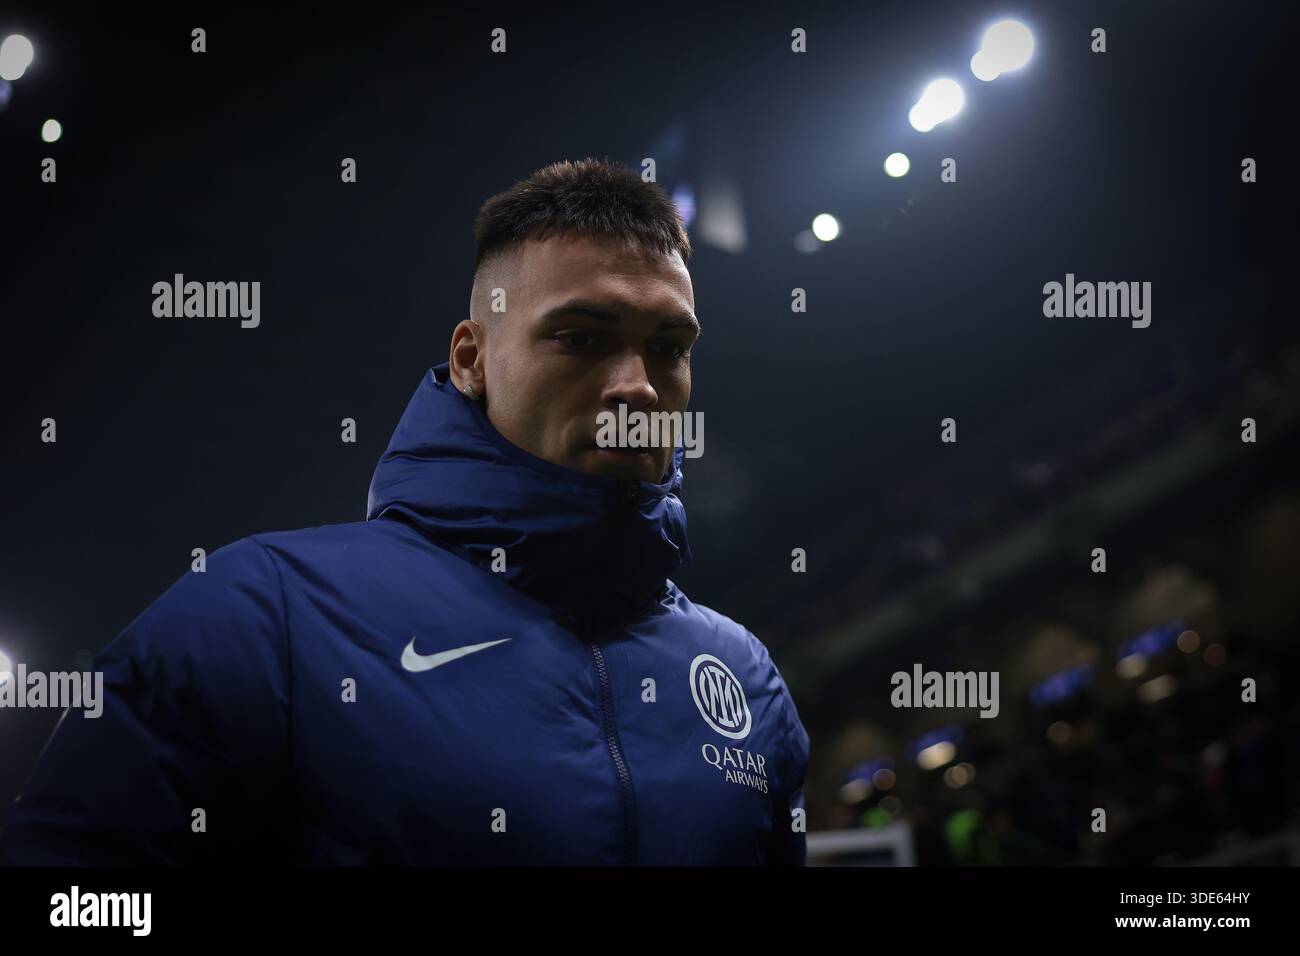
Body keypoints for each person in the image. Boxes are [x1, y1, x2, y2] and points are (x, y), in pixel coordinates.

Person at [0, 158, 810, 865]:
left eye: (670, 347)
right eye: (581, 337)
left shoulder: (745, 677)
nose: (638, 383)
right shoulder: (262, 617)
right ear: (473, 359)